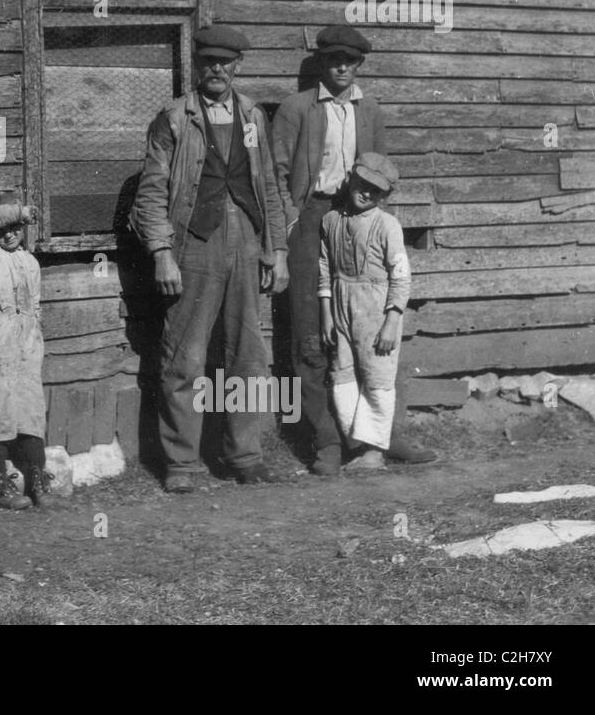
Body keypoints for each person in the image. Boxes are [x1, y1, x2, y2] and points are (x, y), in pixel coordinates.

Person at [131, 24, 290, 492]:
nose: (216, 69)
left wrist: (276, 251)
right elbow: (151, 192)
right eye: (208, 62)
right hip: (194, 244)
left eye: (225, 62)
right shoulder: (174, 119)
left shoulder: (254, 117)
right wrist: (161, 253)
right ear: (196, 64)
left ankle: (245, 455)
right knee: (185, 355)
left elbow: (272, 190)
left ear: (238, 66)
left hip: (246, 241)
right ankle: (182, 463)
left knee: (248, 355)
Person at [272, 24, 435, 475]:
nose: (342, 67)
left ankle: (381, 434)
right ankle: (326, 439)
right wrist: (291, 222)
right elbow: (276, 173)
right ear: (322, 63)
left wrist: (373, 221)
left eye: (351, 60)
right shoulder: (296, 108)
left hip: (358, 217)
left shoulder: (370, 110)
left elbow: (380, 169)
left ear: (359, 64)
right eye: (334, 59)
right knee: (313, 330)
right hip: (310, 220)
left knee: (373, 323)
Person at [319, 153, 411, 472]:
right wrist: (328, 314)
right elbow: (324, 269)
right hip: (341, 304)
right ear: (351, 180)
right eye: (363, 184)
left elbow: (400, 276)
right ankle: (356, 446)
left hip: (376, 308)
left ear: (384, 195)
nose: (367, 193)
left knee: (377, 377)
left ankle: (374, 452)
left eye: (376, 190)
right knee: (342, 375)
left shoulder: (387, 225)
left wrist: (392, 320)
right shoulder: (331, 221)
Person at [0, 202, 47, 510]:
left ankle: (38, 481)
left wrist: (33, 334)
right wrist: (22, 212)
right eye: (4, 231)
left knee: (30, 409)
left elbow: (37, 303)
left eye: (16, 230)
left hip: (27, 340)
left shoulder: (30, 262)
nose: (9, 236)